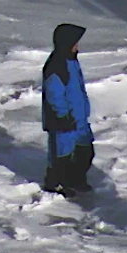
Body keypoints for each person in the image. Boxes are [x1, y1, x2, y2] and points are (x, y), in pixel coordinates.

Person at [41, 23, 94, 196]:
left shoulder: (72, 60)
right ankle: (55, 183)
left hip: (79, 118)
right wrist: (63, 115)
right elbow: (54, 94)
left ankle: (75, 179)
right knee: (61, 155)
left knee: (85, 152)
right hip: (63, 121)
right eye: (75, 43)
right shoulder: (57, 65)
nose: (77, 46)